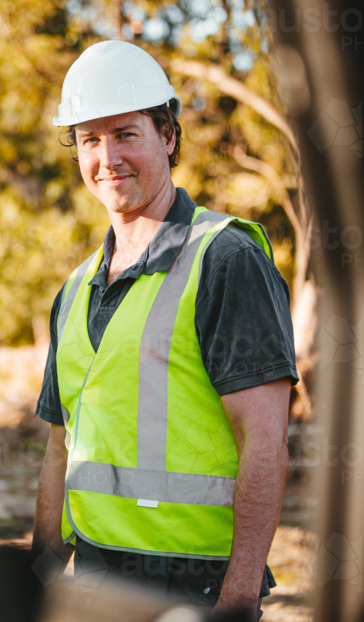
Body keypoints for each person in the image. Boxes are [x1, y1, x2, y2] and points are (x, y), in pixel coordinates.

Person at [29, 40, 297, 618]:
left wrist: (239, 598)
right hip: (96, 572)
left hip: (196, 581)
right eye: (89, 140)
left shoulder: (225, 259)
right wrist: (38, 575)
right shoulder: (75, 287)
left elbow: (266, 441)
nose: (108, 158)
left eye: (126, 134)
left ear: (168, 136)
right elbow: (60, 446)